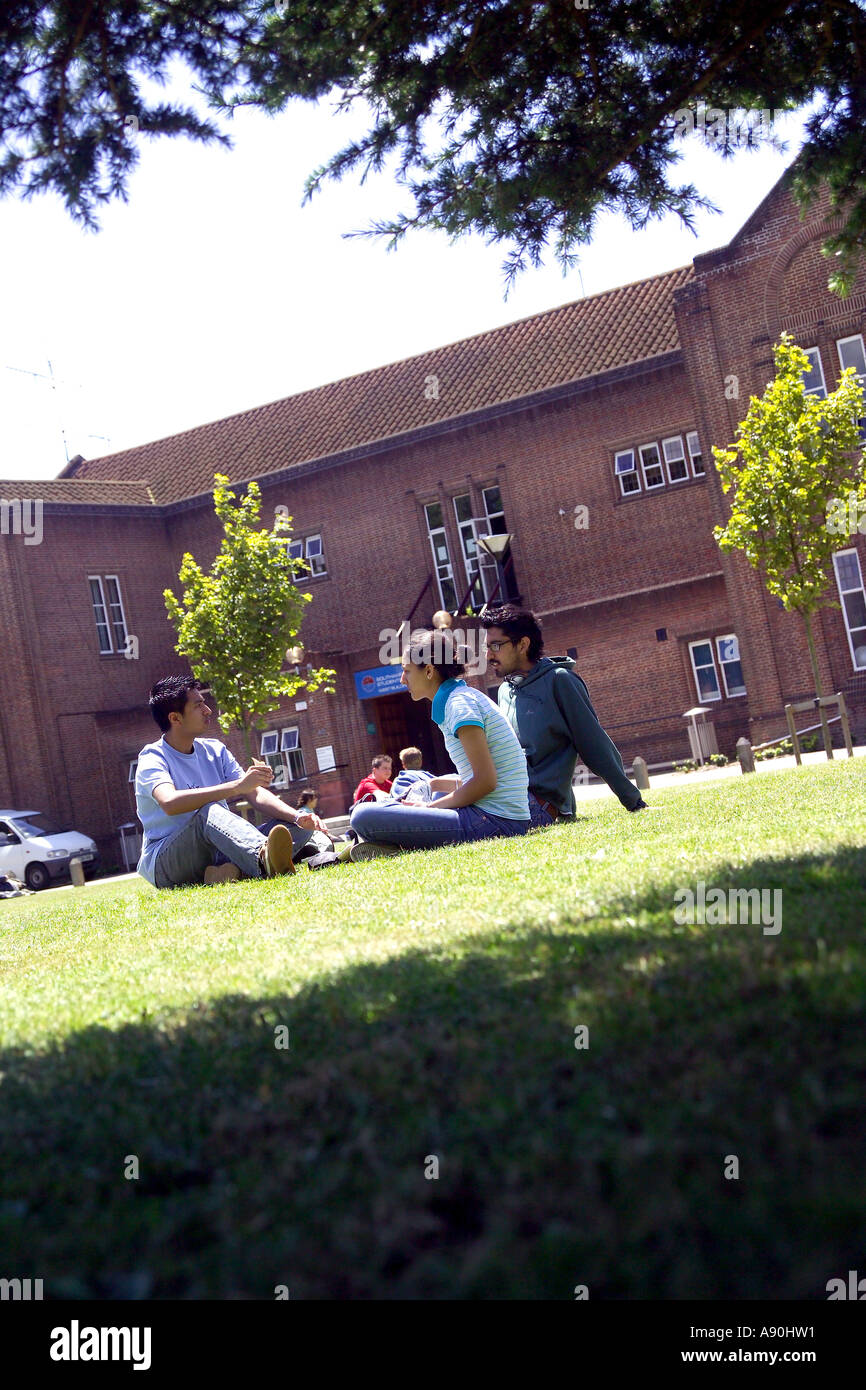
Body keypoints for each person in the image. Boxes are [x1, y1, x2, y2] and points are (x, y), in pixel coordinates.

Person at [349, 628, 530, 860]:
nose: (402, 679)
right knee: (416, 780)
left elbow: (486, 781)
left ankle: (390, 834)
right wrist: (432, 785)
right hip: (491, 814)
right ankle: (393, 836)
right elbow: (473, 777)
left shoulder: (459, 705)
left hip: (495, 821)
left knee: (362, 815)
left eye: (406, 671)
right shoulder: (458, 699)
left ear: (429, 671)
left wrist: (430, 809)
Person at [134, 676, 329, 889]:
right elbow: (170, 803)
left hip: (216, 850)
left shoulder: (214, 750)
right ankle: (263, 858)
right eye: (198, 706)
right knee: (209, 811)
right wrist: (236, 787)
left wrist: (298, 816)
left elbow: (254, 793)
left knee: (292, 826)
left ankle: (228, 871)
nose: (208, 710)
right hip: (165, 862)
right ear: (175, 718)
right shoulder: (152, 757)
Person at [479, 604, 648, 824]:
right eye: (486, 647)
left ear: (523, 644)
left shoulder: (560, 681)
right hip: (509, 797)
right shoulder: (505, 691)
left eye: (496, 645)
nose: (488, 654)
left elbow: (595, 746)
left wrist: (633, 801)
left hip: (541, 805)